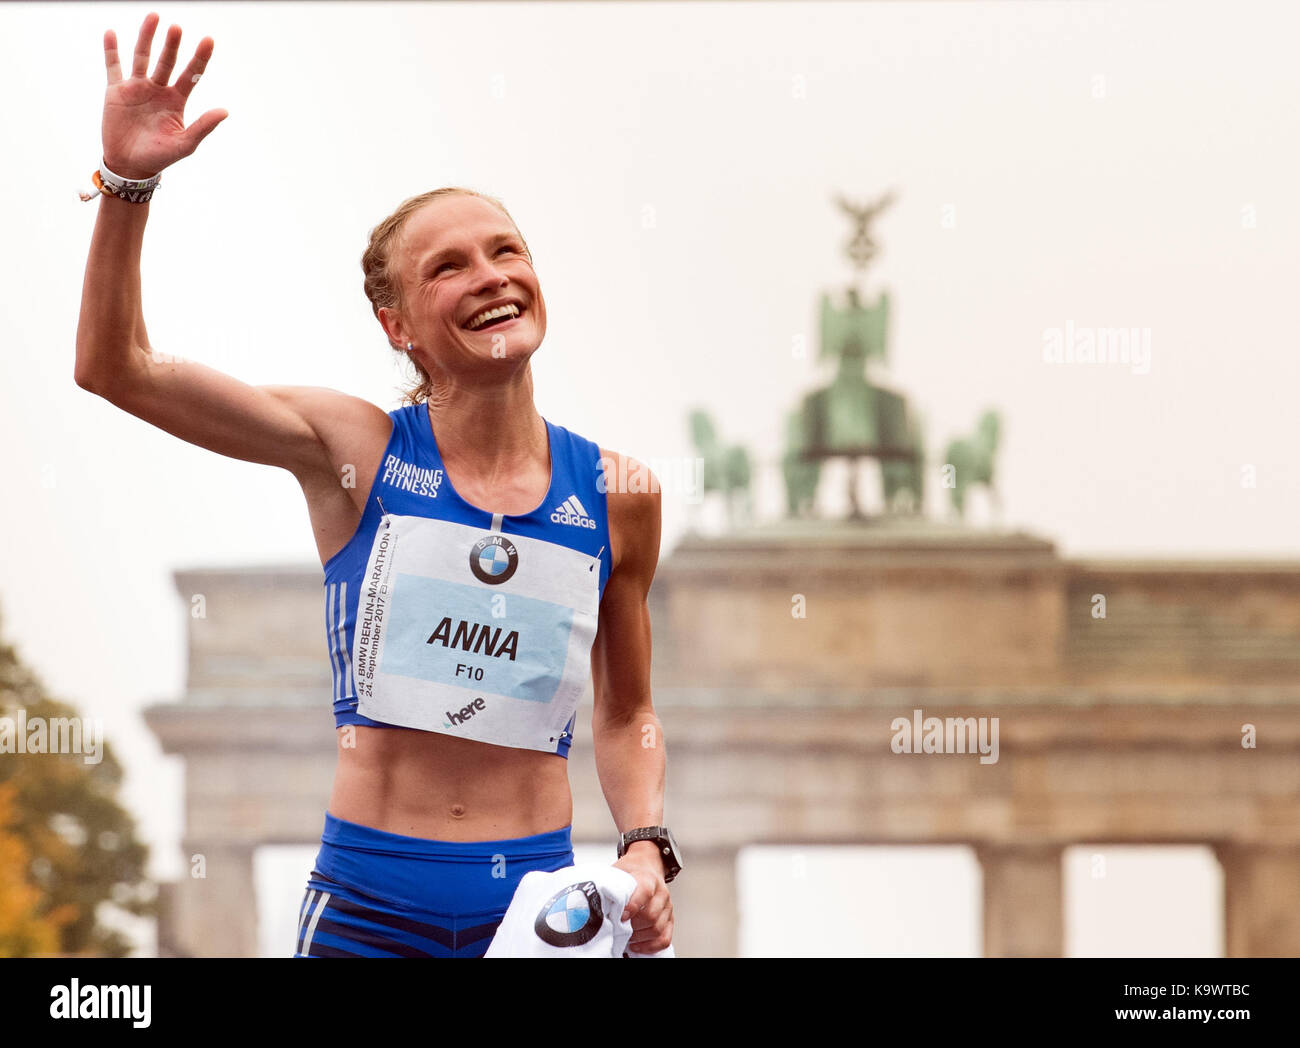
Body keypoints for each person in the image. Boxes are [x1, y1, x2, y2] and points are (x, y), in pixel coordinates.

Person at [76, 12, 678, 957]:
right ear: (397, 326)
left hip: (538, 915)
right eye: (448, 267)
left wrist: (645, 844)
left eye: (506, 250)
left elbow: (628, 710)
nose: (491, 276)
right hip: (367, 906)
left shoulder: (619, 493)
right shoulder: (349, 450)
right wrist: (127, 183)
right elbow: (118, 367)